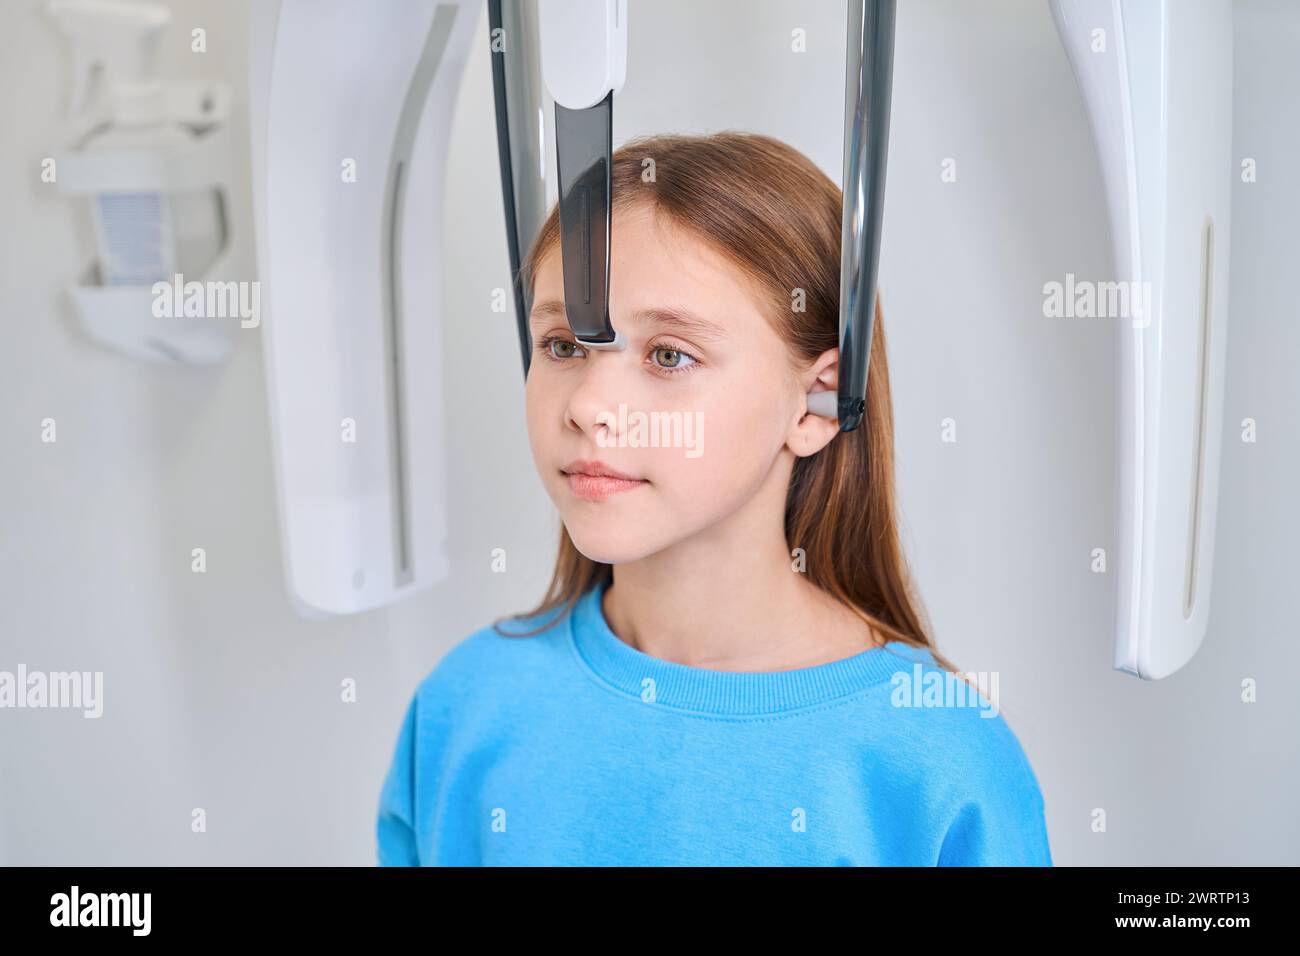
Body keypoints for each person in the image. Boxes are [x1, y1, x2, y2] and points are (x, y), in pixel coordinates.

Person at [377, 131, 1051, 866]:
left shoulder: (935, 761)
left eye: (670, 355)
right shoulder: (464, 707)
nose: (591, 408)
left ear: (816, 401)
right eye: (564, 346)